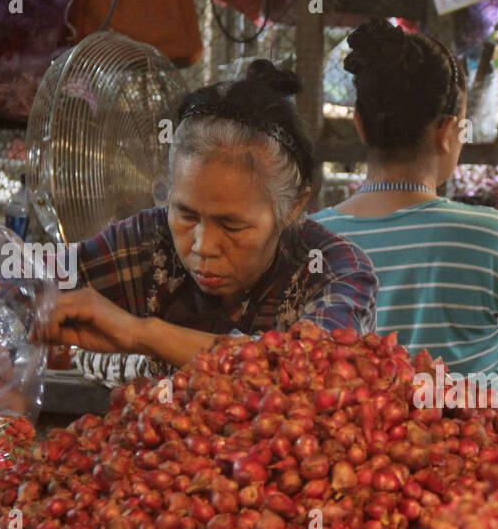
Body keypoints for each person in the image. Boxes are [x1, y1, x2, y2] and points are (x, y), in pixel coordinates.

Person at [45, 60, 378, 383]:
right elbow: (21, 287)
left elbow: (315, 369)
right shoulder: (151, 242)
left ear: (293, 207)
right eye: (186, 215)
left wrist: (145, 335)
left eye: (232, 226)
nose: (202, 246)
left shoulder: (333, 269)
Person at [313, 19, 498, 379]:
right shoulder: (491, 237)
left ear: (359, 123)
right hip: (475, 435)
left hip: (351, 434)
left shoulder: (314, 240)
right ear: (447, 132)